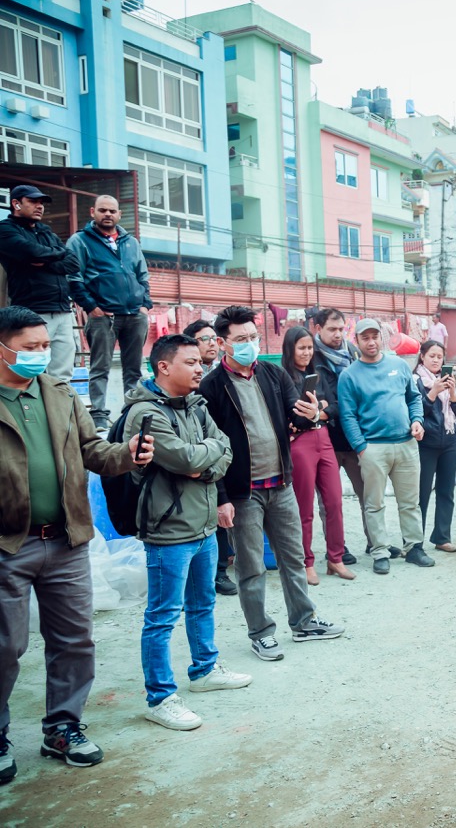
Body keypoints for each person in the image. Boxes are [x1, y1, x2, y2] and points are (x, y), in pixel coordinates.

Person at [0, 305, 154, 781]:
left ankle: (62, 727)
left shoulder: (61, 393)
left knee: (73, 641)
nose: (42, 355)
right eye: (30, 349)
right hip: (8, 544)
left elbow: (92, 452)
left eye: (45, 346)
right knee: (5, 646)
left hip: (66, 540)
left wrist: (127, 454)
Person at [197, 306, 344, 661]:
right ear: (222, 343)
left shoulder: (273, 374)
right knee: (250, 567)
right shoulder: (212, 387)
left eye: (253, 337)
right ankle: (260, 632)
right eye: (241, 339)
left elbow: (296, 411)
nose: (250, 344)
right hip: (242, 492)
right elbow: (208, 447)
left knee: (293, 557)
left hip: (281, 484)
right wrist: (220, 498)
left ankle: (304, 621)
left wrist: (312, 414)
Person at [122, 334, 251, 731]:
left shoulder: (197, 405)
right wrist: (201, 459)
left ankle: (205, 669)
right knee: (162, 616)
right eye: (191, 362)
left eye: (200, 362)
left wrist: (203, 464)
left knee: (202, 603)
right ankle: (159, 697)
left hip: (204, 524)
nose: (200, 368)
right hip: (169, 530)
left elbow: (223, 449)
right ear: (164, 366)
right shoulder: (145, 413)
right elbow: (182, 458)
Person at [336, 318, 429, 575]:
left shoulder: (399, 366)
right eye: (365, 337)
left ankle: (414, 547)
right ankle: (379, 551)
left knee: (410, 501)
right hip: (373, 447)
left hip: (406, 443)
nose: (371, 342)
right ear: (357, 342)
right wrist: (361, 446)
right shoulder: (349, 376)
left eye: (375, 336)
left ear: (381, 338)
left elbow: (414, 398)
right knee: (374, 503)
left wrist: (417, 421)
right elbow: (348, 415)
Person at [66, 195, 152, 431]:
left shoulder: (130, 242)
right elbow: (73, 277)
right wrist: (91, 308)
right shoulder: (80, 241)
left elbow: (142, 274)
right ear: (93, 212)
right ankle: (100, 417)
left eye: (112, 211)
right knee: (100, 368)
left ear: (119, 214)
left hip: (135, 314)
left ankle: (134, 412)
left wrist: (145, 305)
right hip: (103, 316)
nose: (107, 214)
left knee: (134, 369)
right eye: (102, 210)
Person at [282, 326, 354, 583]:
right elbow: (287, 413)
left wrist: (318, 412)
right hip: (299, 442)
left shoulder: (318, 374)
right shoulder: (283, 377)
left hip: (324, 438)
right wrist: (314, 410)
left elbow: (334, 406)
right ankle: (305, 561)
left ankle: (336, 558)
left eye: (309, 347)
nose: (306, 352)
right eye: (301, 347)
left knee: (334, 501)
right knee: (305, 506)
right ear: (290, 349)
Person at [0, 186, 80, 381]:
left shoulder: (46, 232)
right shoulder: (5, 229)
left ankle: (59, 410)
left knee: (63, 374)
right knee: (31, 371)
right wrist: (53, 256)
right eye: (33, 201)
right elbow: (31, 252)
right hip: (33, 310)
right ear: (16, 203)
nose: (40, 206)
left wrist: (44, 261)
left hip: (62, 309)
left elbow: (73, 262)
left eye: (42, 203)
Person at [182, 318, 235, 595]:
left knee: (222, 515)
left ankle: (220, 569)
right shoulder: (188, 382)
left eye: (215, 338)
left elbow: (222, 439)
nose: (212, 343)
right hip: (197, 458)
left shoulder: (222, 374)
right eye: (205, 339)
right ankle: (207, 574)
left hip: (219, 458)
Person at [309, 308, 364, 567]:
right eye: (332, 329)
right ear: (318, 328)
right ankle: (337, 549)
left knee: (367, 494)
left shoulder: (353, 353)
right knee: (330, 501)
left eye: (342, 329)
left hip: (354, 437)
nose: (338, 334)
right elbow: (321, 399)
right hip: (325, 437)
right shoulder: (311, 356)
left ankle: (375, 542)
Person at [414, 340, 456, 553]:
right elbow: (417, 411)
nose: (436, 360)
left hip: (449, 440)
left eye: (440, 357)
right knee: (421, 494)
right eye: (432, 356)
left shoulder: (449, 380)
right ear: (422, 357)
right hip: (426, 443)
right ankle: (416, 541)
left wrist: (453, 395)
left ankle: (442, 537)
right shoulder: (416, 380)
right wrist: (433, 392)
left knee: (446, 491)